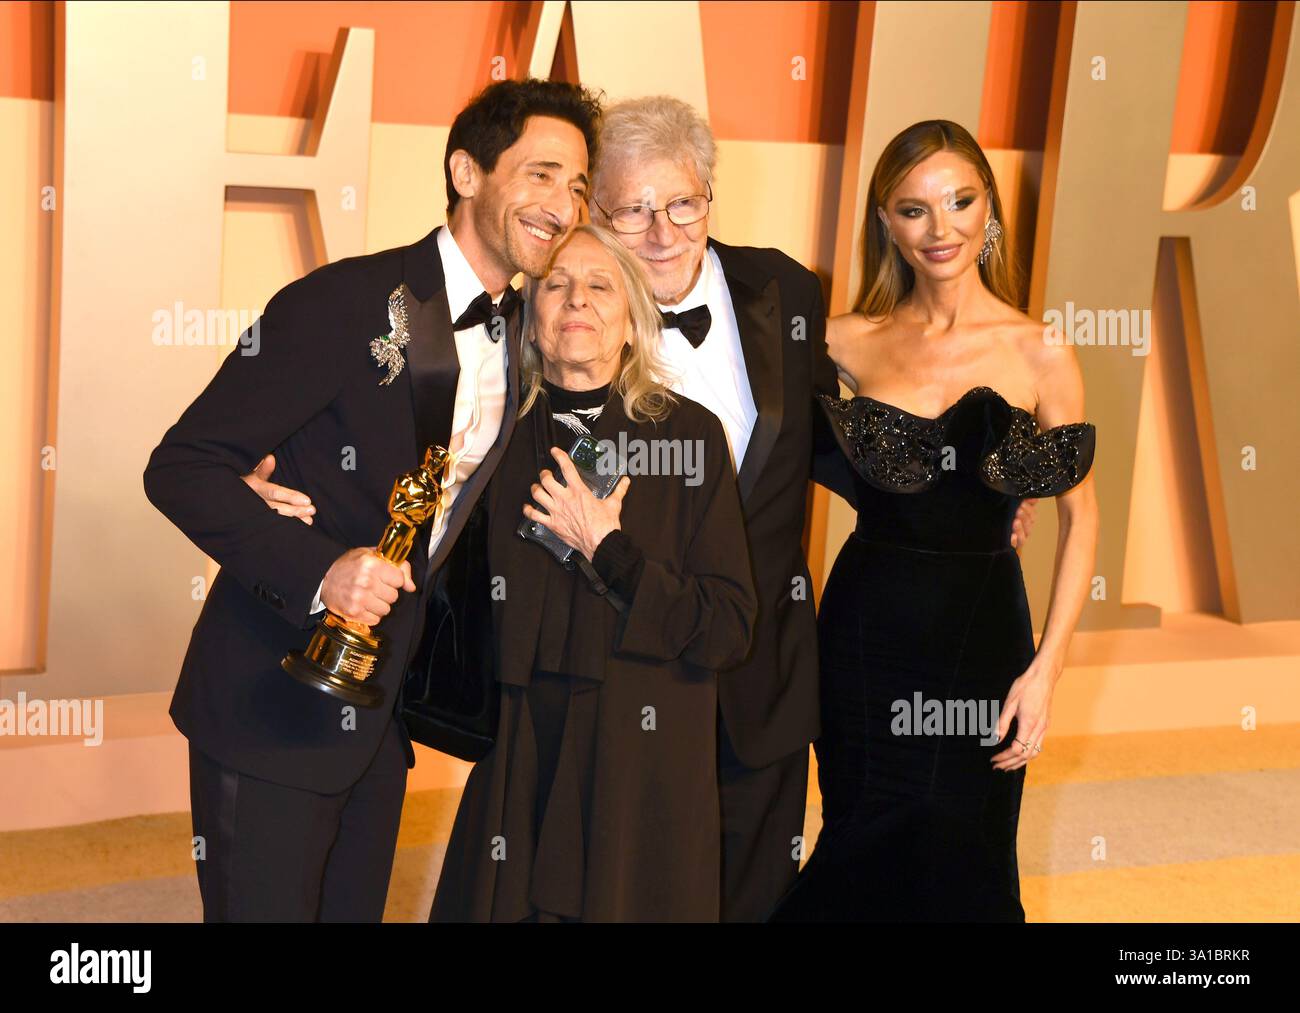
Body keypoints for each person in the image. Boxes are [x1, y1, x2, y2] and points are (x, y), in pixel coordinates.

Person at [143, 78, 600, 922]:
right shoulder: (343, 301)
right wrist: (322, 570)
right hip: (270, 698)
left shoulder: (522, 334)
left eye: (577, 185)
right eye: (541, 174)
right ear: (467, 171)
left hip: (380, 714)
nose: (563, 203)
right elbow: (181, 465)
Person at [769, 119, 1098, 922]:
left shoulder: (1040, 349)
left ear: (990, 211)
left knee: (968, 853)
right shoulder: (844, 340)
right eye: (913, 209)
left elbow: (1082, 518)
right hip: (862, 635)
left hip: (983, 639)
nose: (940, 227)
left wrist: (1046, 670)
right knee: (858, 837)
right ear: (886, 222)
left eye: (959, 201)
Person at [427, 224, 757, 921]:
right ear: (531, 318)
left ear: (634, 321)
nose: (576, 299)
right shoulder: (491, 431)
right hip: (520, 750)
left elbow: (729, 627)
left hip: (642, 761)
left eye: (600, 284)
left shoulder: (691, 437)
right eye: (555, 284)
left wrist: (611, 549)